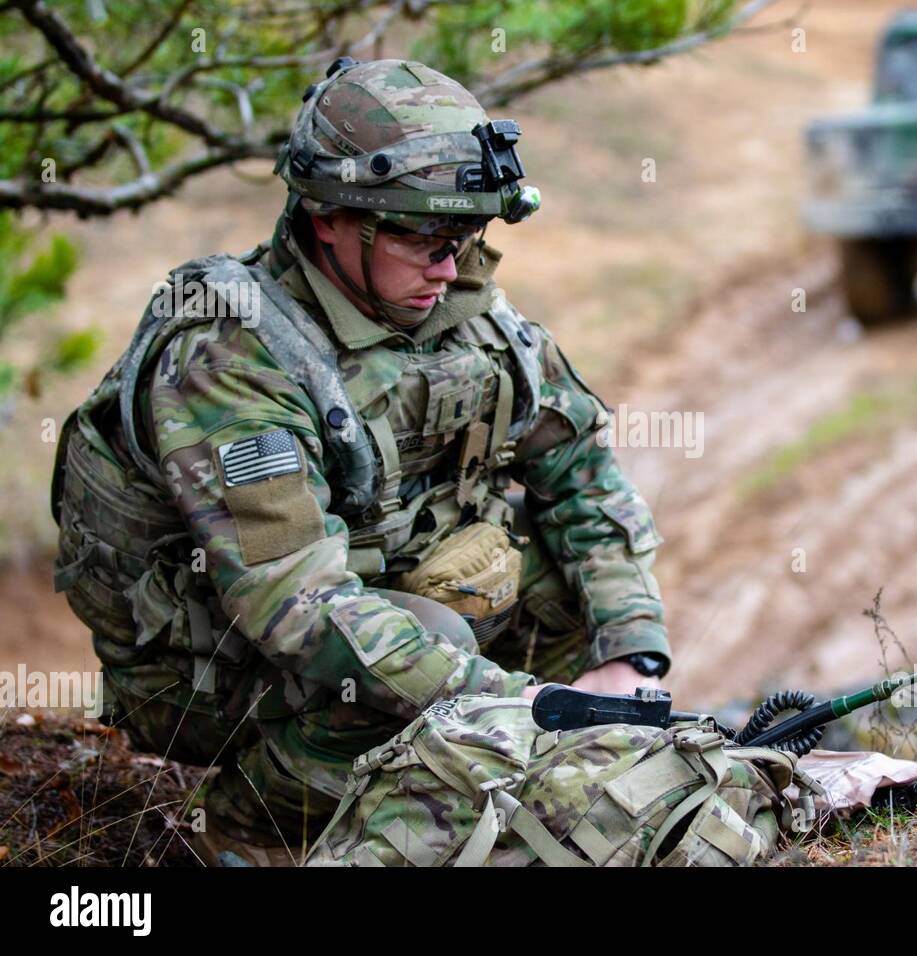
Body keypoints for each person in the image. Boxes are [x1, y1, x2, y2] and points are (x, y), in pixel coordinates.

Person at [51, 57, 670, 865]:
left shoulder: (461, 311)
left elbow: (581, 475)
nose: (450, 267)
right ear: (329, 216)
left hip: (380, 604)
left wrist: (632, 654)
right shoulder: (231, 354)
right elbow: (297, 606)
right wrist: (527, 704)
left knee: (549, 585)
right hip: (209, 664)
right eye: (422, 235)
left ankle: (481, 787)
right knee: (420, 649)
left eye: (465, 236)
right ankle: (252, 828)